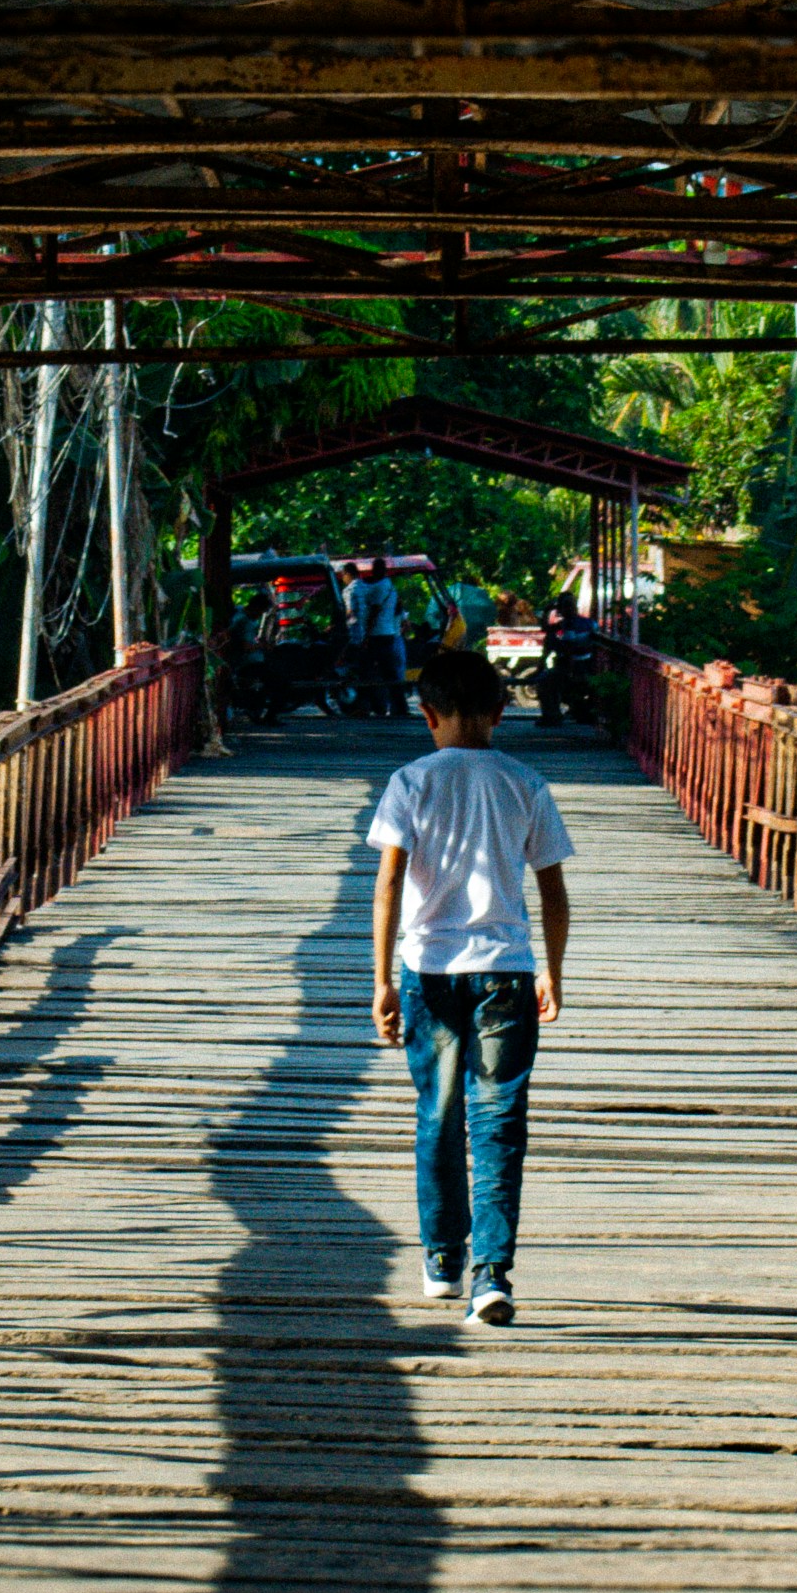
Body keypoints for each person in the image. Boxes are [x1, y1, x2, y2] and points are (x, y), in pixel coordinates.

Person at [365, 648, 573, 1325]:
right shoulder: (525, 782)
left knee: (439, 1112)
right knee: (499, 1120)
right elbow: (553, 890)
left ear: (426, 715)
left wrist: (381, 982)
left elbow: (390, 883)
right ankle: (492, 1273)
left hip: (428, 969)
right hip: (506, 969)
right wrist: (554, 969)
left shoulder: (409, 781)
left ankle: (440, 1258)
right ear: (500, 713)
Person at [341, 556, 406, 715]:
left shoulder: (378, 588)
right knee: (389, 673)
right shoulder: (391, 586)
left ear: (378, 570)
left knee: (366, 671)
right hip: (389, 633)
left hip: (376, 635)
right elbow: (398, 608)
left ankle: (363, 707)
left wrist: (366, 636)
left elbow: (374, 613)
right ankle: (400, 707)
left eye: (374, 570)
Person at [534, 600, 601, 728]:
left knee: (546, 681)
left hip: (578, 666)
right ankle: (557, 713)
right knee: (550, 642)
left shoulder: (571, 625)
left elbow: (570, 650)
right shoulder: (582, 623)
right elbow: (546, 629)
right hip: (583, 665)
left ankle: (552, 715)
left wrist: (570, 671)